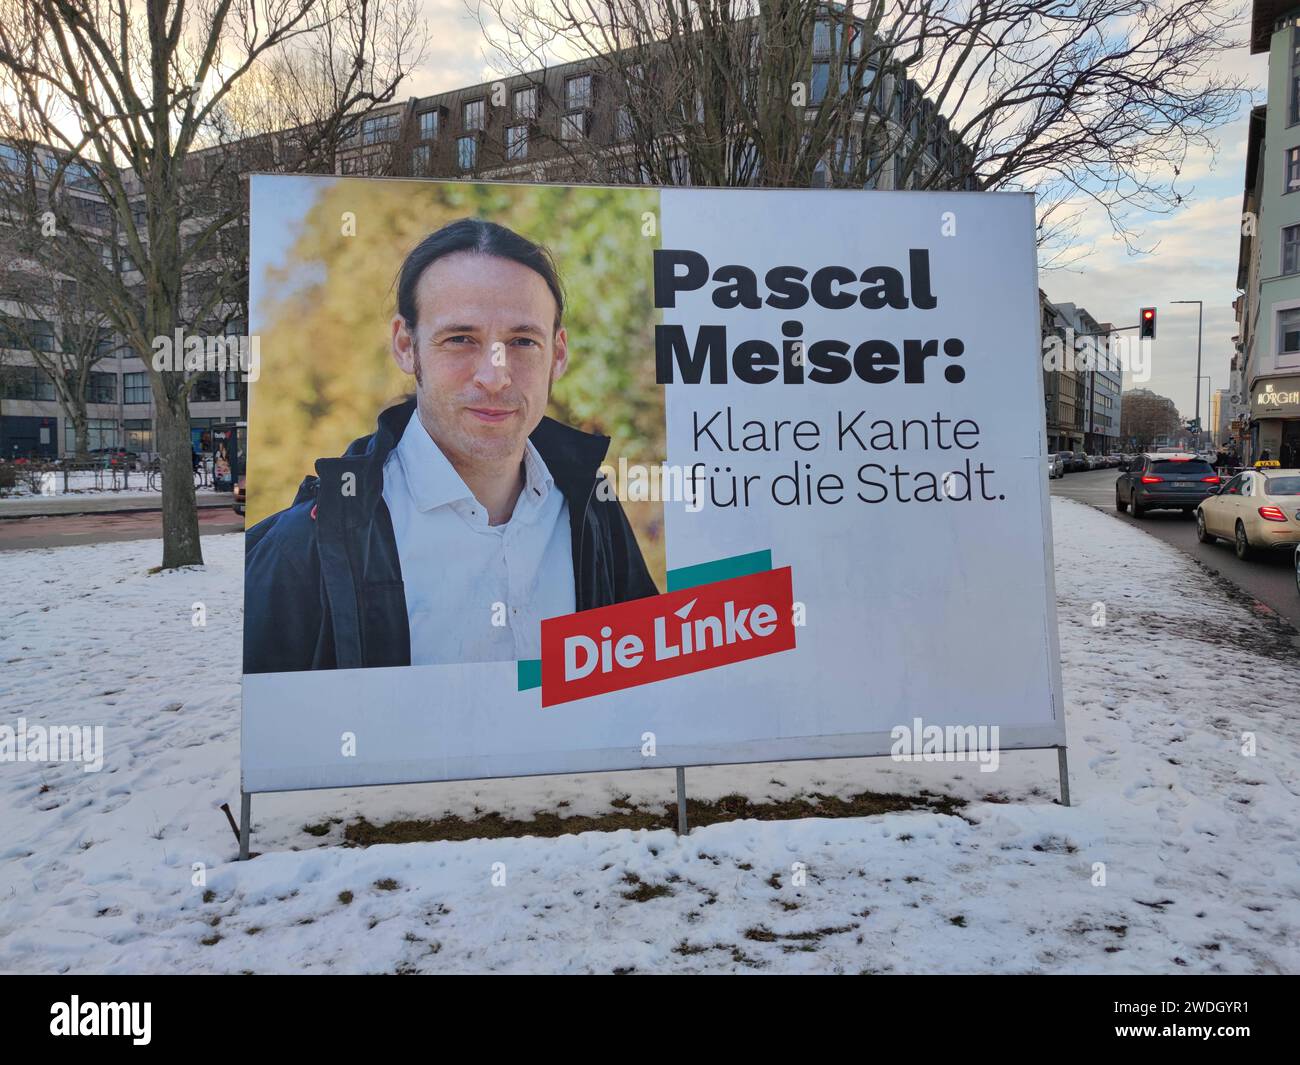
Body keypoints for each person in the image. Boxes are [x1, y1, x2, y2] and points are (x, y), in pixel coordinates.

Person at [244, 218, 658, 675]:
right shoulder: (306, 547)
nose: (494, 376)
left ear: (557, 354)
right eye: (460, 339)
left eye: (522, 341)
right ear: (406, 346)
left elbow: (641, 693)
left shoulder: (593, 511)